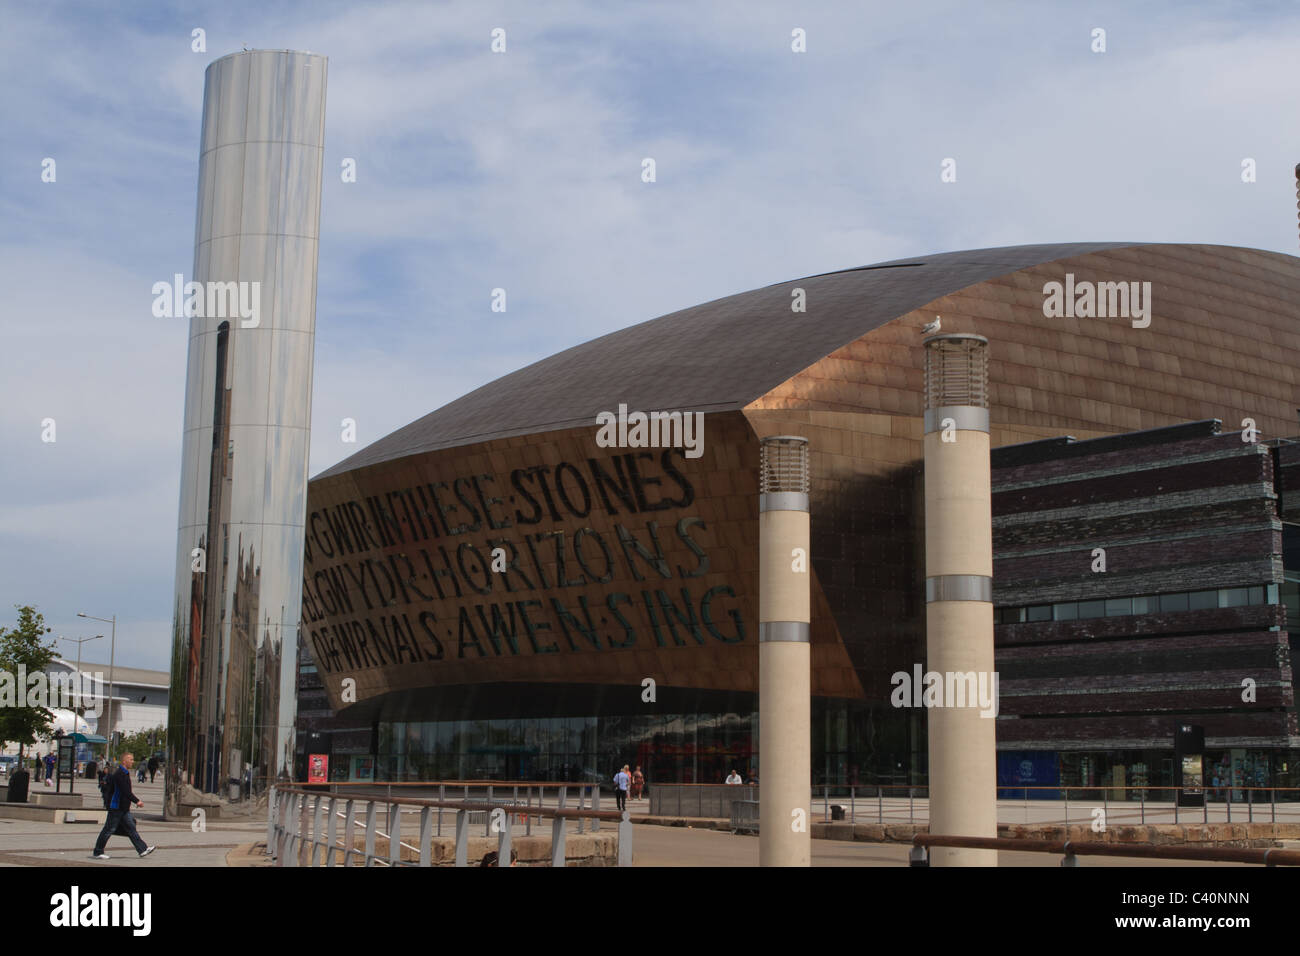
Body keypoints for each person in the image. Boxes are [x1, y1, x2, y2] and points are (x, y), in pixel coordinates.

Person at [91, 753, 156, 860]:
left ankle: (142, 849)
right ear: (124, 761)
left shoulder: (124, 773)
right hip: (116, 807)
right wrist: (137, 801)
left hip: (123, 808)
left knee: (131, 828)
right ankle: (98, 851)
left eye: (133, 759)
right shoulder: (120, 774)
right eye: (131, 759)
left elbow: (126, 791)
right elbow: (125, 791)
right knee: (109, 829)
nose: (133, 761)